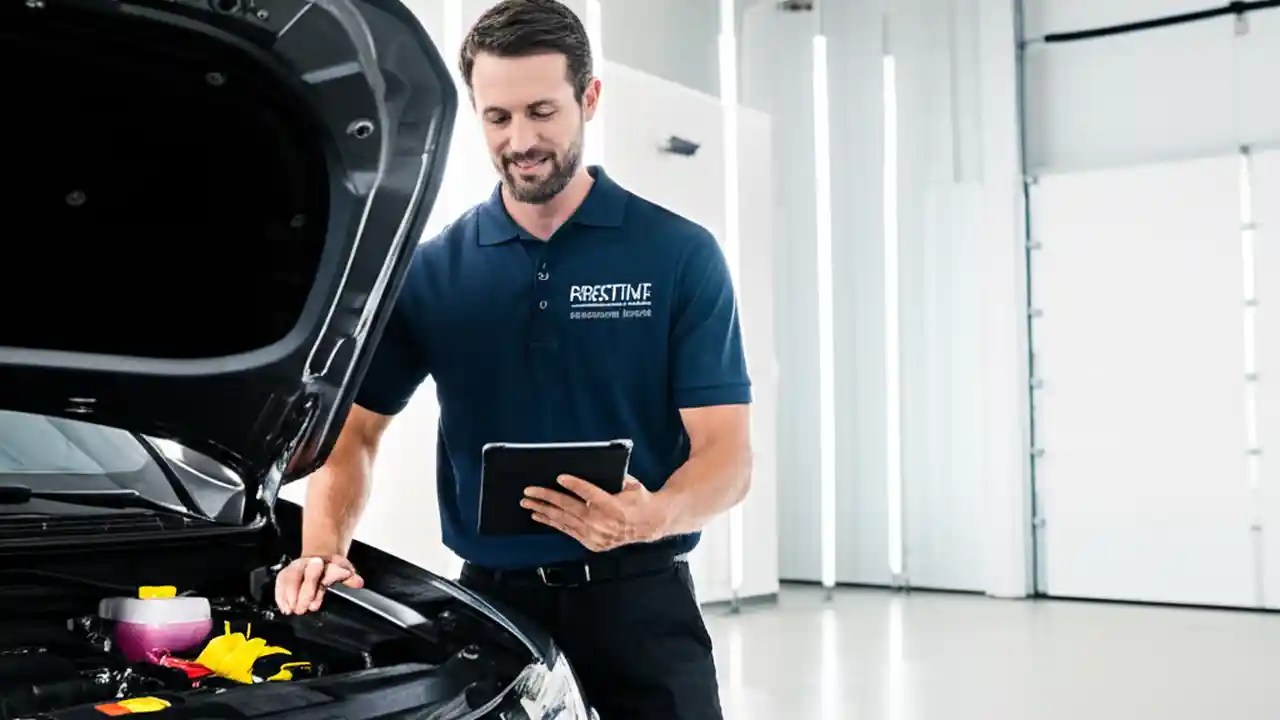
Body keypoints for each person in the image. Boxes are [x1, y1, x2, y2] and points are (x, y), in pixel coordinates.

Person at [273, 0, 752, 716]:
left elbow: (727, 458)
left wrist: (648, 516)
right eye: (498, 117)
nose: (521, 139)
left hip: (643, 601)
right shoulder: (432, 271)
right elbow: (355, 433)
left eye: (542, 111)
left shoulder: (679, 254)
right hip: (494, 606)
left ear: (589, 99)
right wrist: (323, 547)